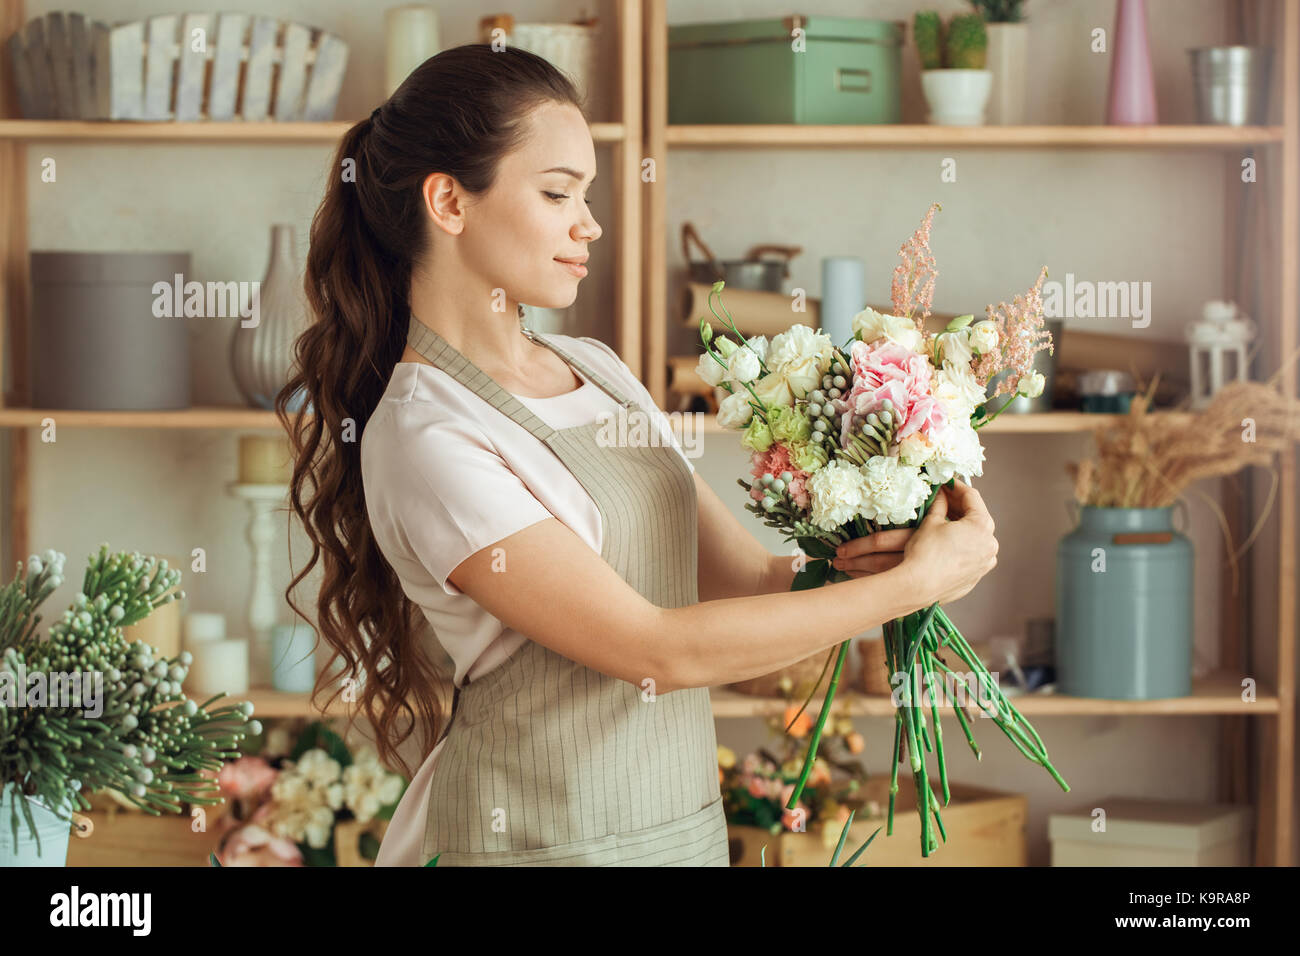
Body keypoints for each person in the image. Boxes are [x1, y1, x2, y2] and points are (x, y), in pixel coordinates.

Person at [277, 43, 999, 867]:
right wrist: (914, 587)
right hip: (540, 843)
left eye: (588, 193)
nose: (589, 224)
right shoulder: (427, 435)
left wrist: (896, 550)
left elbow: (751, 581)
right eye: (557, 193)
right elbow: (659, 649)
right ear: (448, 200)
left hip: (674, 829)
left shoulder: (597, 369)